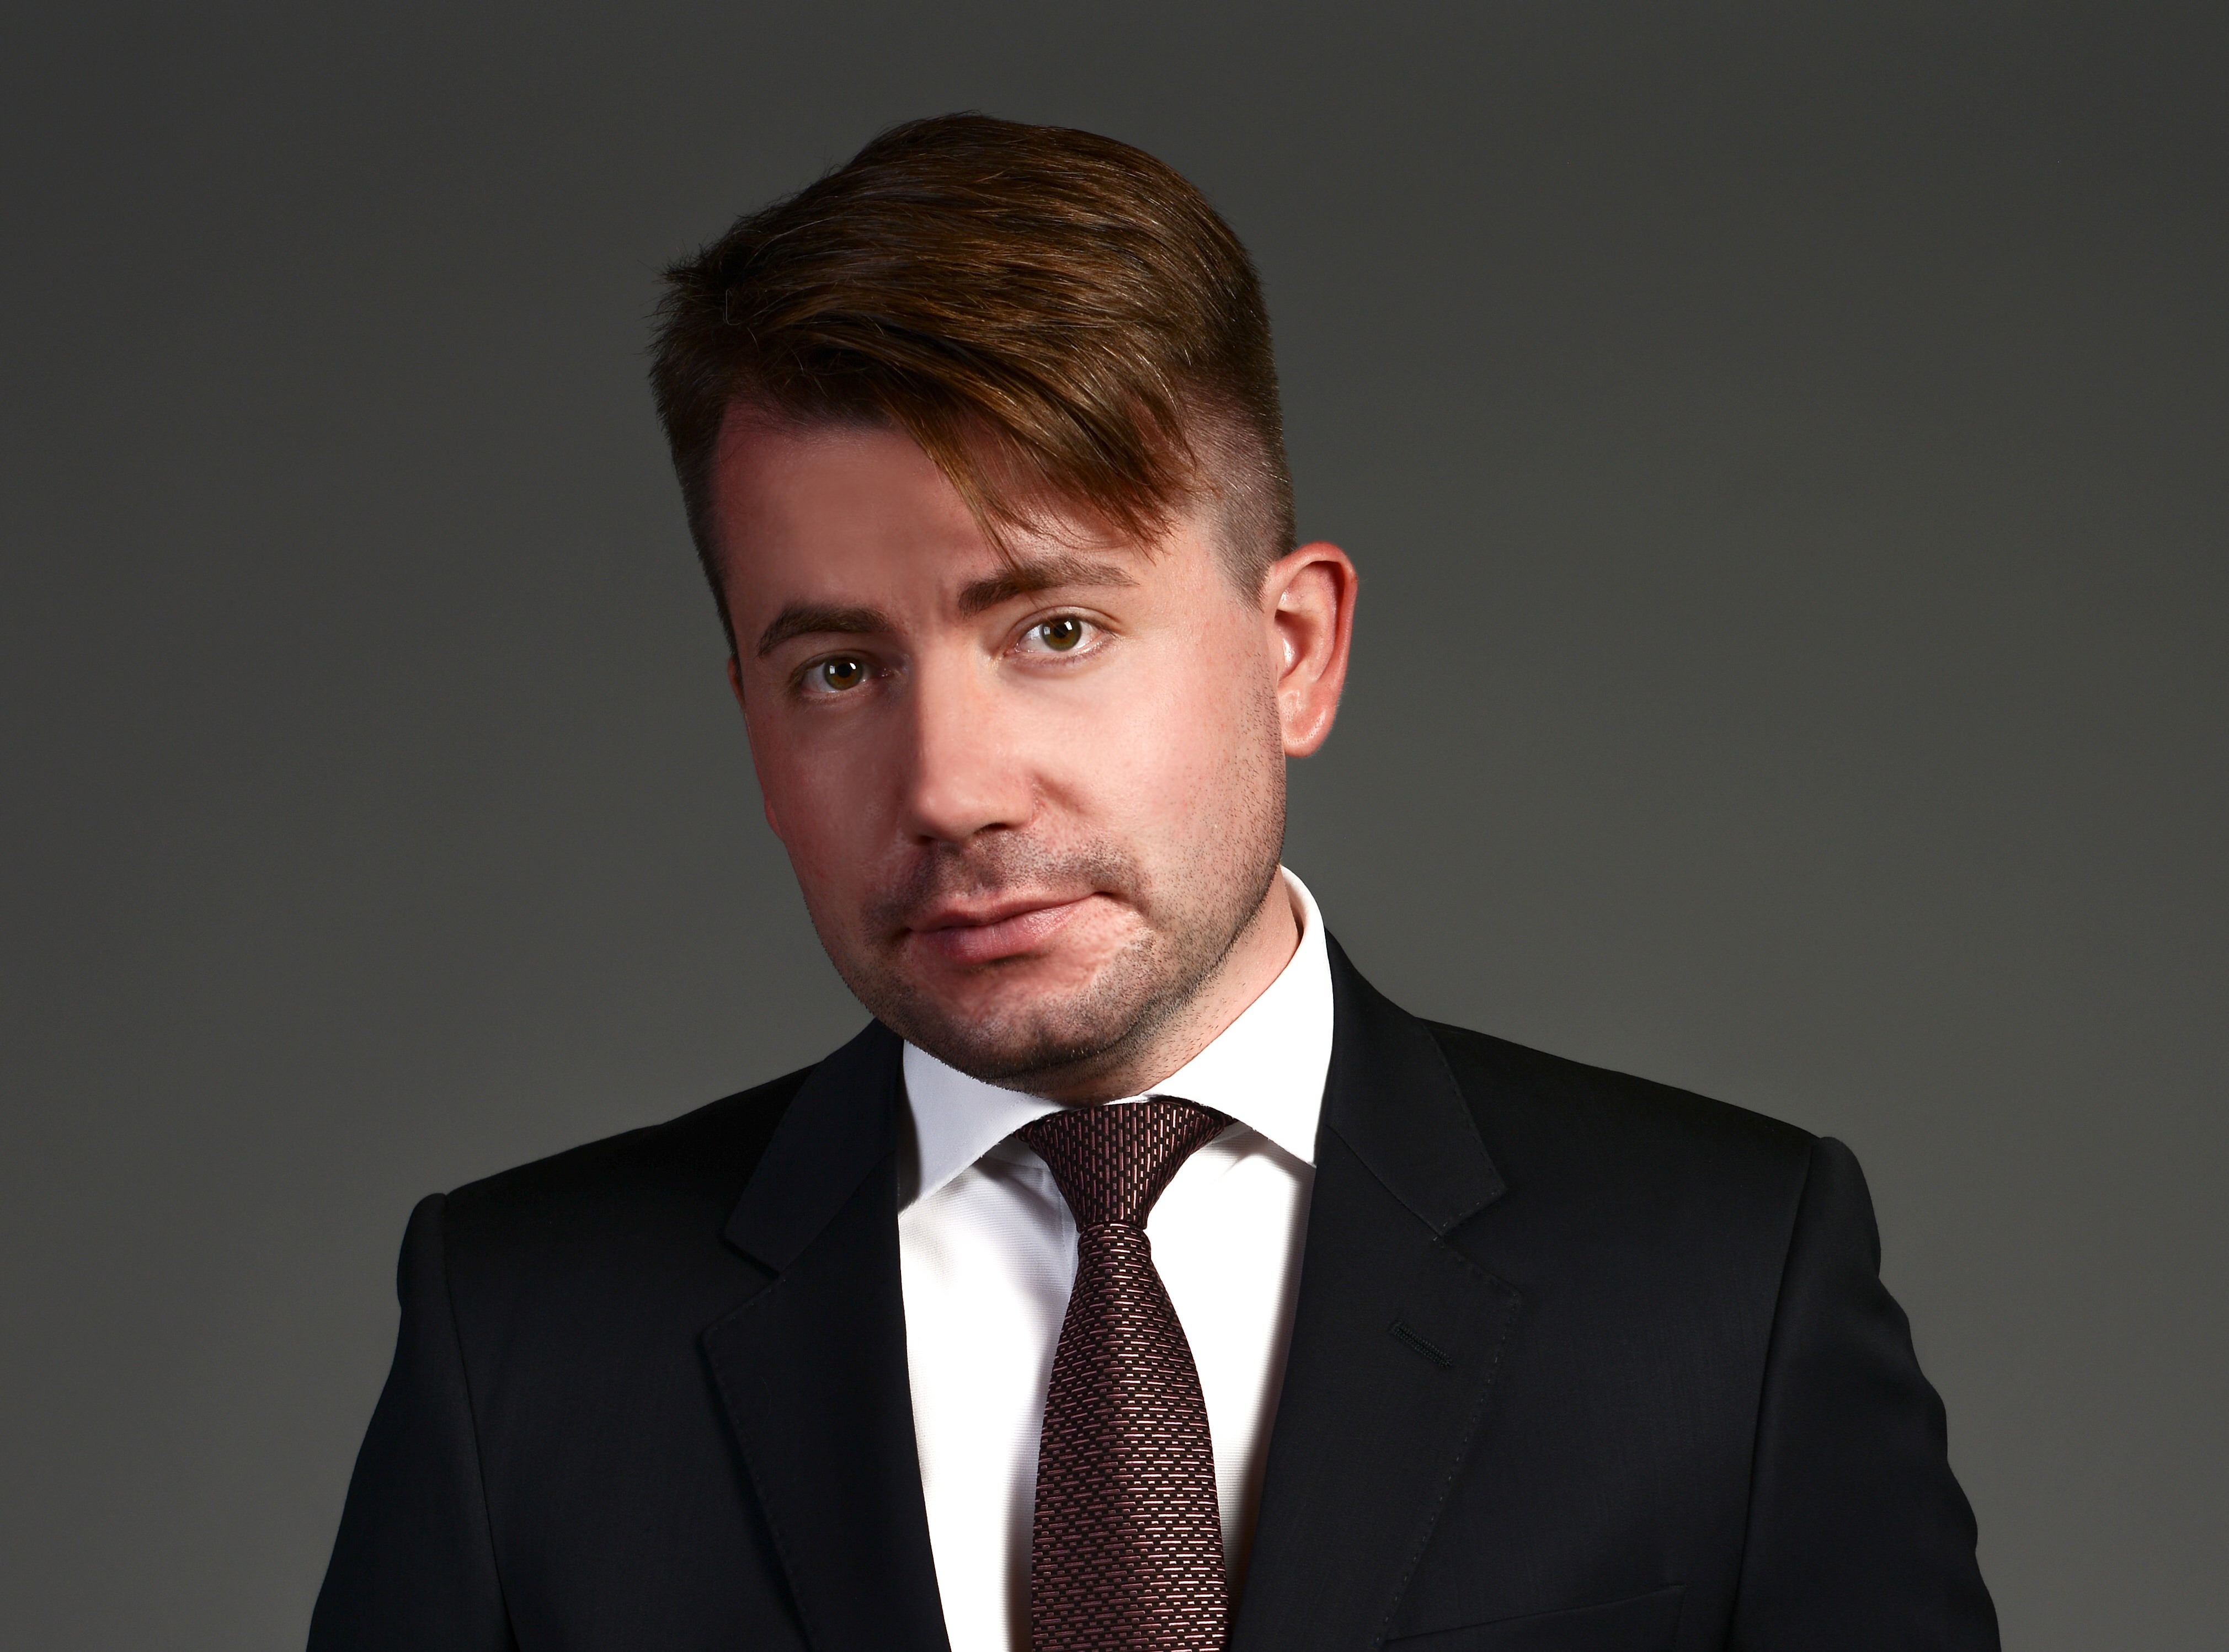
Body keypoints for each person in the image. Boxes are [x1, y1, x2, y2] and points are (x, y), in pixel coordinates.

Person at [308, 114, 1998, 1652]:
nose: (948, 786)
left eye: (1055, 629)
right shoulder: (520, 1339)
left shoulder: (1724, 1290)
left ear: (1294, 650)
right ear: (752, 726)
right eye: (838, 670)